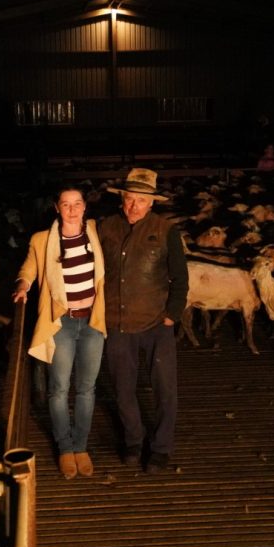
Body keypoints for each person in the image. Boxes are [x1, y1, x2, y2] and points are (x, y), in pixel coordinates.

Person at [99, 168, 188, 474]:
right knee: (123, 388)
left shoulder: (166, 231)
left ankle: (161, 447)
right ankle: (134, 441)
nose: (133, 205)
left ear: (152, 203)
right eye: (129, 198)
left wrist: (171, 315)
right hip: (116, 322)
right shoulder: (105, 228)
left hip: (155, 322)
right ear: (121, 199)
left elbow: (180, 277)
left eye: (141, 200)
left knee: (165, 387)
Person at [13, 185, 107, 479]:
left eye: (76, 203)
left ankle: (81, 446)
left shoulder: (95, 232)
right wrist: (23, 285)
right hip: (62, 321)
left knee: (86, 388)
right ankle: (65, 447)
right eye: (65, 204)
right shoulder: (42, 240)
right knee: (59, 388)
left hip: (92, 320)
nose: (71, 209)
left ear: (84, 207)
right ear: (57, 208)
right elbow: (29, 268)